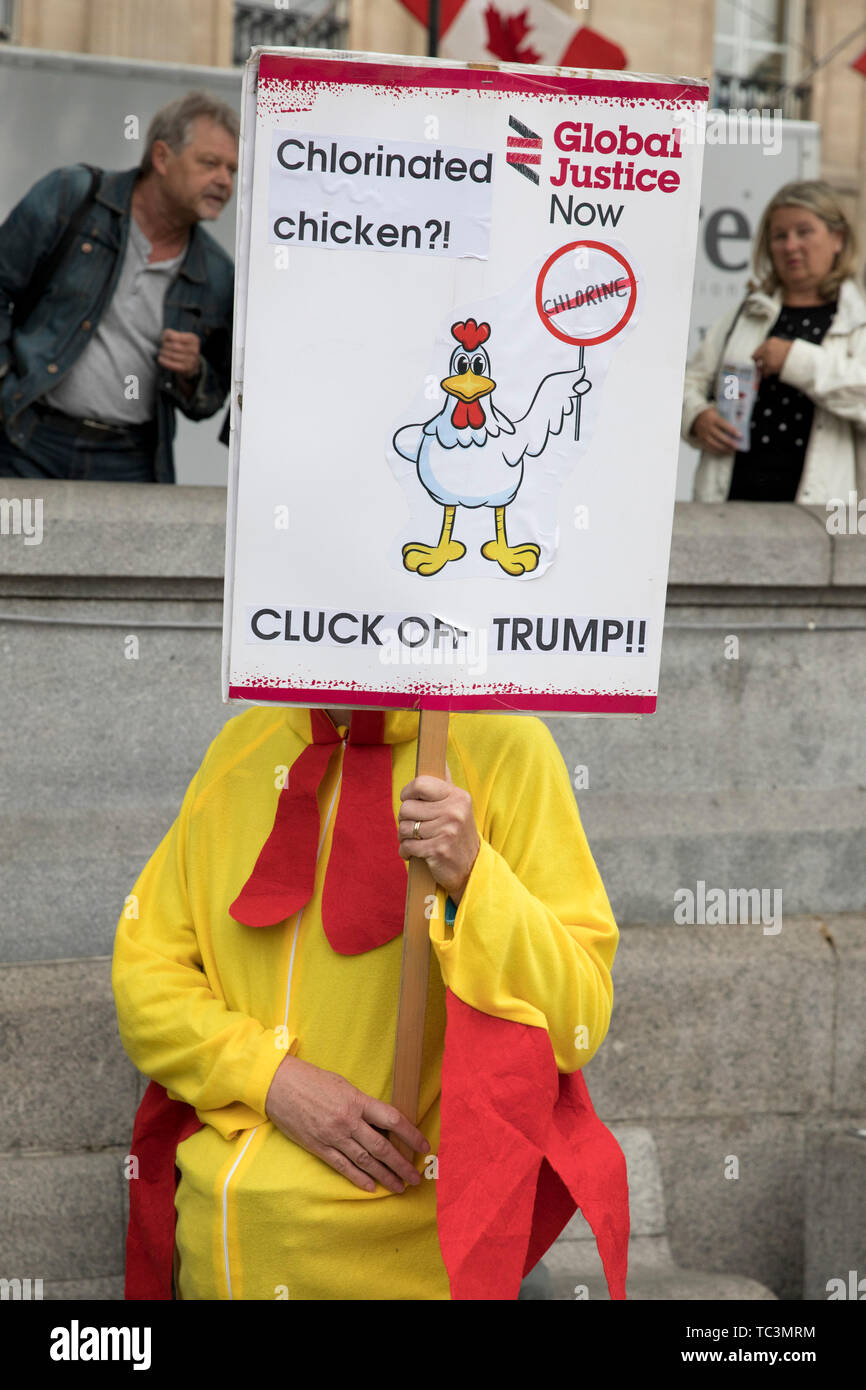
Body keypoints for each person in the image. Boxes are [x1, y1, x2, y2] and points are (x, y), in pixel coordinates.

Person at [112, 703, 630, 1301]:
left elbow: (578, 1020)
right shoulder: (242, 743)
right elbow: (145, 980)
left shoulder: (509, 746)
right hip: (216, 1257)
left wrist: (474, 876)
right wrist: (270, 1078)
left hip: (416, 1268)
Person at [0, 91, 237, 483]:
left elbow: (210, 399)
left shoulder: (217, 274)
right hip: (28, 440)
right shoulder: (72, 196)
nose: (224, 181)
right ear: (161, 157)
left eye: (232, 169)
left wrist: (193, 373)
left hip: (130, 461)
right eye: (210, 163)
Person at [682, 180, 866, 503]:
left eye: (804, 231)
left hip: (818, 519)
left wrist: (795, 361)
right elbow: (690, 382)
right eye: (780, 236)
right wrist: (697, 417)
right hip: (728, 507)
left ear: (838, 238)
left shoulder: (857, 319)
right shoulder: (748, 312)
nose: (791, 246)